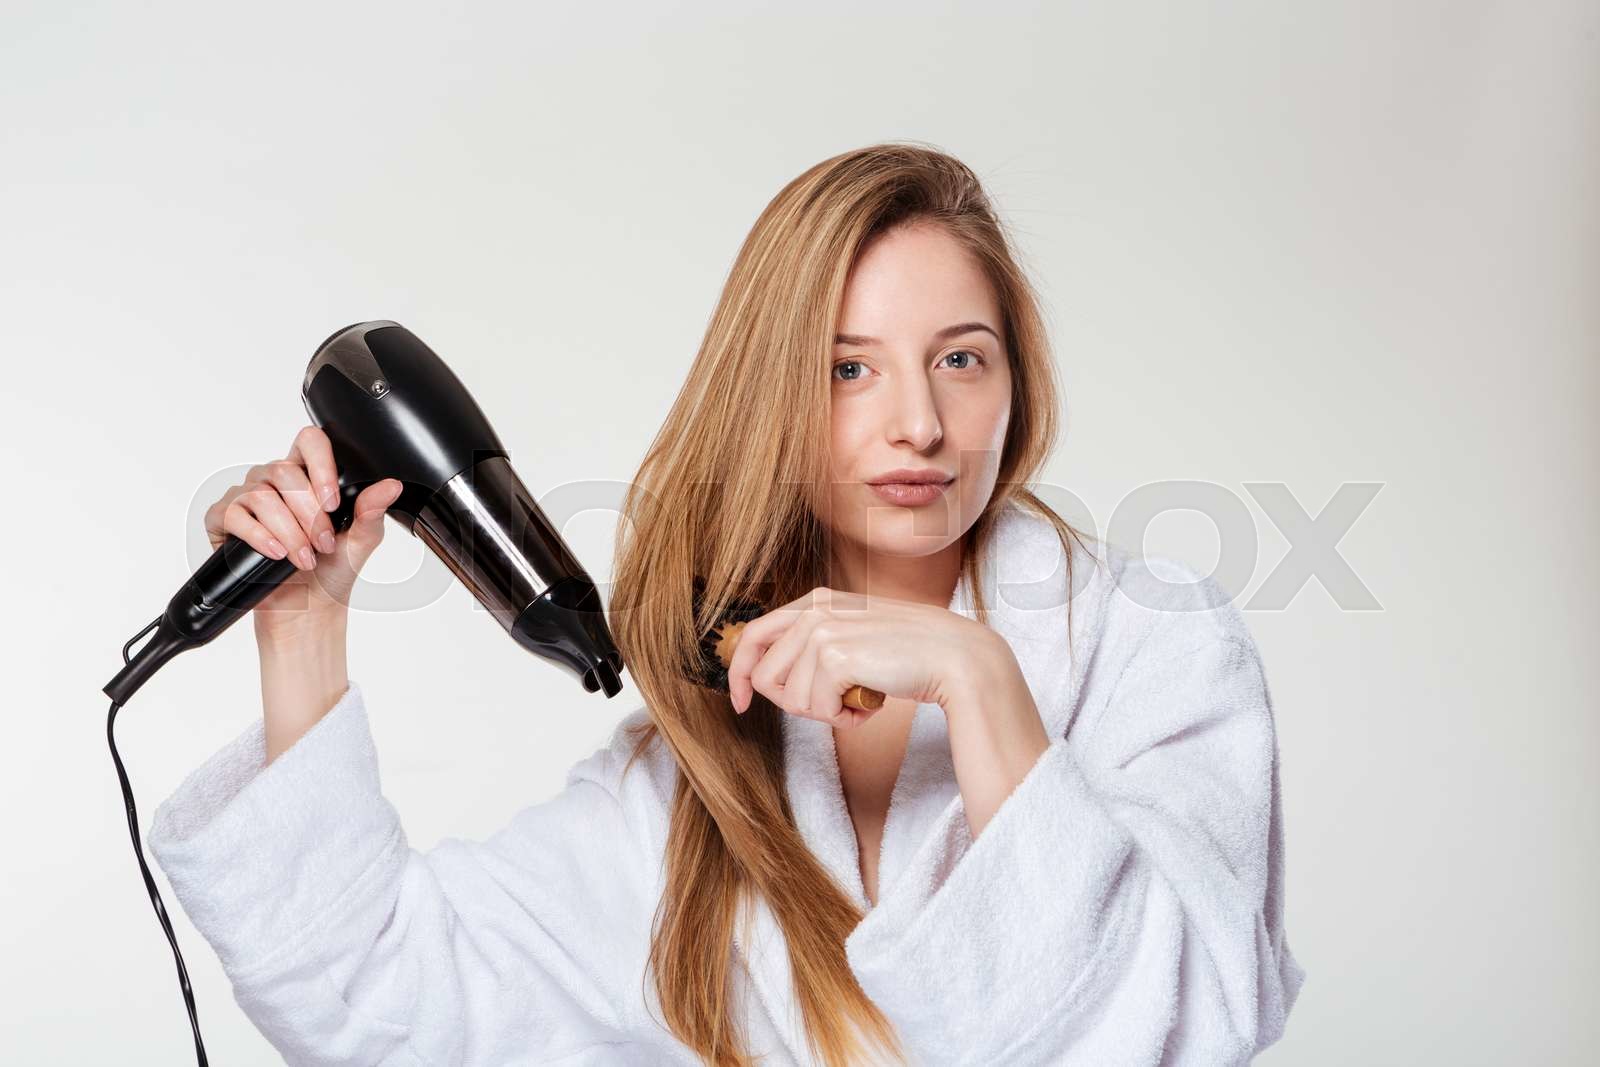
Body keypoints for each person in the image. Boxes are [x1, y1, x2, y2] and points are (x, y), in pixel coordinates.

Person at [149, 142, 1305, 1066]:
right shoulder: (688, 783)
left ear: (1017, 378)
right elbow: (382, 1004)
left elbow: (1184, 1025)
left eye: (961, 358)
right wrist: (301, 632)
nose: (919, 423)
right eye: (846, 368)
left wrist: (980, 680)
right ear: (770, 398)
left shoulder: (1154, 647)